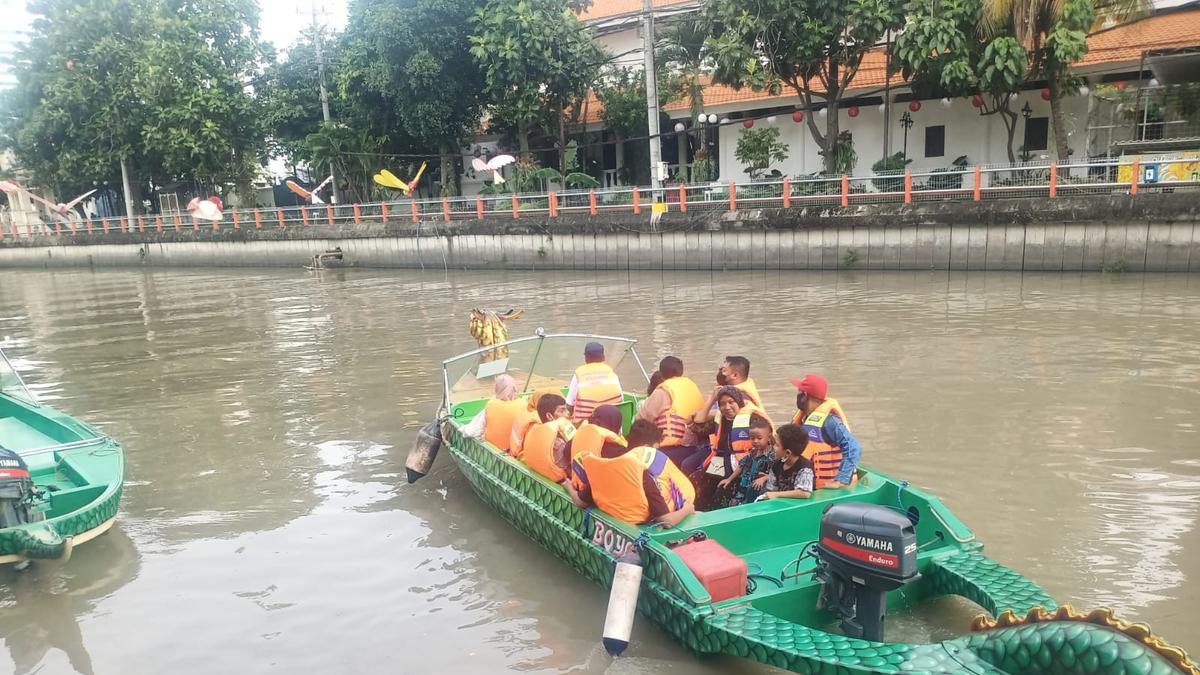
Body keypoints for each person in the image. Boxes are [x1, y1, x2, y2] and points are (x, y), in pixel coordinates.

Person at [572, 420, 695, 527]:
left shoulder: (605, 465)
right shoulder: (645, 476)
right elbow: (665, 521)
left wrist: (565, 483)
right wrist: (687, 510)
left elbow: (580, 501)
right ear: (646, 448)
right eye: (656, 449)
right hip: (638, 531)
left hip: (608, 529)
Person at [789, 374, 861, 490]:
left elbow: (853, 447)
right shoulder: (805, 419)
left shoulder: (830, 421)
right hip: (807, 485)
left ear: (805, 395)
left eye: (799, 392)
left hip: (828, 492)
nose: (797, 396)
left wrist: (841, 480)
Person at [635, 357, 704, 457]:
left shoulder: (662, 391)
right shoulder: (691, 385)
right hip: (696, 441)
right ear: (681, 371)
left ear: (661, 373)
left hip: (672, 446)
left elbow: (641, 419)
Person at [718, 415, 775, 506]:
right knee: (732, 503)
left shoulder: (772, 455)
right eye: (752, 438)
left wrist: (765, 478)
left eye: (759, 438)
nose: (755, 441)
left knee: (745, 506)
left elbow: (778, 473)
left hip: (756, 490)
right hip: (744, 486)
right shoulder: (753, 452)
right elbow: (741, 465)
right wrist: (729, 479)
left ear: (768, 437)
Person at [462, 375, 526, 453]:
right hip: (514, 453)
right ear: (515, 389)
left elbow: (472, 431)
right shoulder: (524, 406)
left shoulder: (491, 405)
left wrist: (462, 429)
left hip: (492, 450)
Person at [522, 394, 577, 485]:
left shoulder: (535, 432)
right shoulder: (559, 444)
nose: (568, 413)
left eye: (566, 409)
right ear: (549, 416)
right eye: (562, 410)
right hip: (561, 484)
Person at [693, 355, 762, 425]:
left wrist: (711, 400)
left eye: (724, 370)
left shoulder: (741, 395)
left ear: (735, 375)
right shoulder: (737, 386)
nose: (720, 372)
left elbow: (698, 419)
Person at [566, 342, 623, 424]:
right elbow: (621, 399)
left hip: (586, 426)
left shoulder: (579, 374)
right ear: (603, 357)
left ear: (586, 358)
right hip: (611, 424)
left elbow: (569, 404)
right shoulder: (610, 371)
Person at [759, 423, 815, 500]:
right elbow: (771, 489)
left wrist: (777, 494)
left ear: (788, 453)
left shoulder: (805, 468)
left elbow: (804, 493)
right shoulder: (776, 465)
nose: (773, 447)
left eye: (777, 445)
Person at [510, 387, 564, 458]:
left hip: (514, 456)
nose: (566, 413)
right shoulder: (536, 422)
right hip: (523, 460)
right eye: (562, 410)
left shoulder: (524, 411)